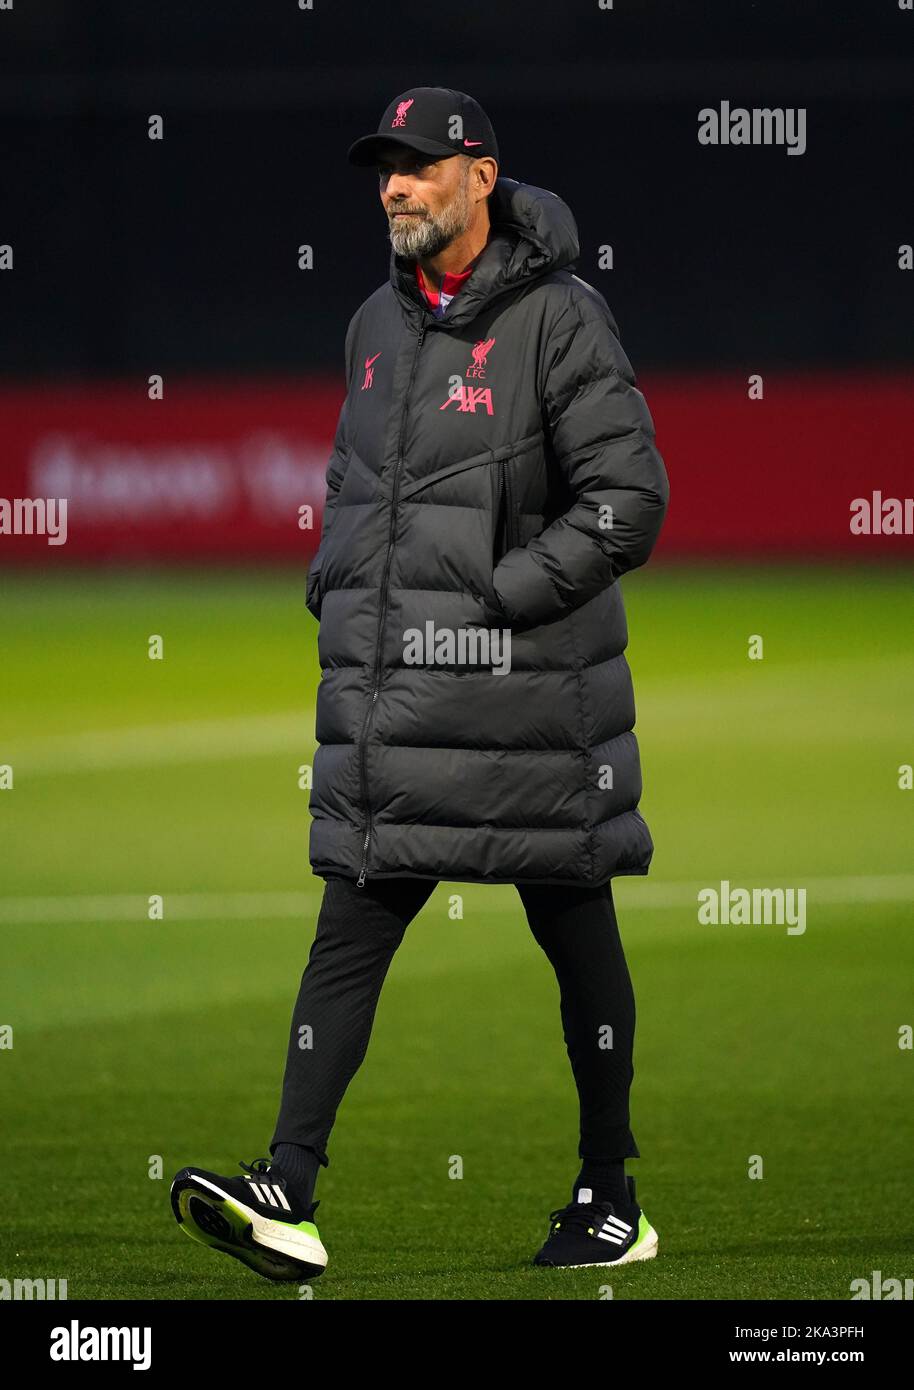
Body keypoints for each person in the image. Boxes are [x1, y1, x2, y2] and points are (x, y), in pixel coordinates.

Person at [171, 86, 669, 1281]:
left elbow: (626, 503)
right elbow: (355, 486)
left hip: (529, 702)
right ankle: (286, 1187)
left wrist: (496, 599)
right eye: (381, 169)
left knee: (573, 927)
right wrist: (332, 583)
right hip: (397, 703)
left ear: (478, 178)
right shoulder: (372, 327)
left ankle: (610, 1192)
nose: (391, 186)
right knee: (350, 918)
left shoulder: (559, 317)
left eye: (416, 165)